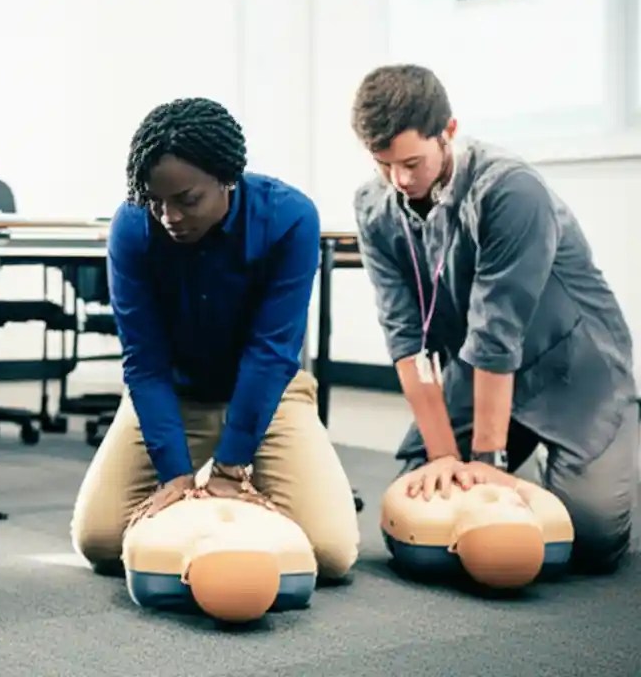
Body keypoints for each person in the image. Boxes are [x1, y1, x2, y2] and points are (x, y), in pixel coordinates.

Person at [350, 64, 637, 574]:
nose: (400, 179)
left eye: (413, 162)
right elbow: (405, 339)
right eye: (384, 164)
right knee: (424, 503)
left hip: (573, 368)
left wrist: (485, 466)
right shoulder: (375, 207)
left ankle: (595, 451)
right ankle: (496, 452)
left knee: (588, 539)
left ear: (450, 132)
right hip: (478, 374)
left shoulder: (510, 189)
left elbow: (495, 333)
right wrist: (443, 456)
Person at [70, 97, 361, 581]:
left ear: (228, 178)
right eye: (155, 200)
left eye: (187, 200)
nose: (169, 216)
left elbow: (271, 354)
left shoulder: (289, 219)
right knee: (99, 540)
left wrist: (231, 466)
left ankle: (240, 480)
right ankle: (214, 478)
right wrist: (175, 475)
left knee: (330, 553)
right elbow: (144, 361)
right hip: (174, 393)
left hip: (272, 394)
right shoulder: (131, 226)